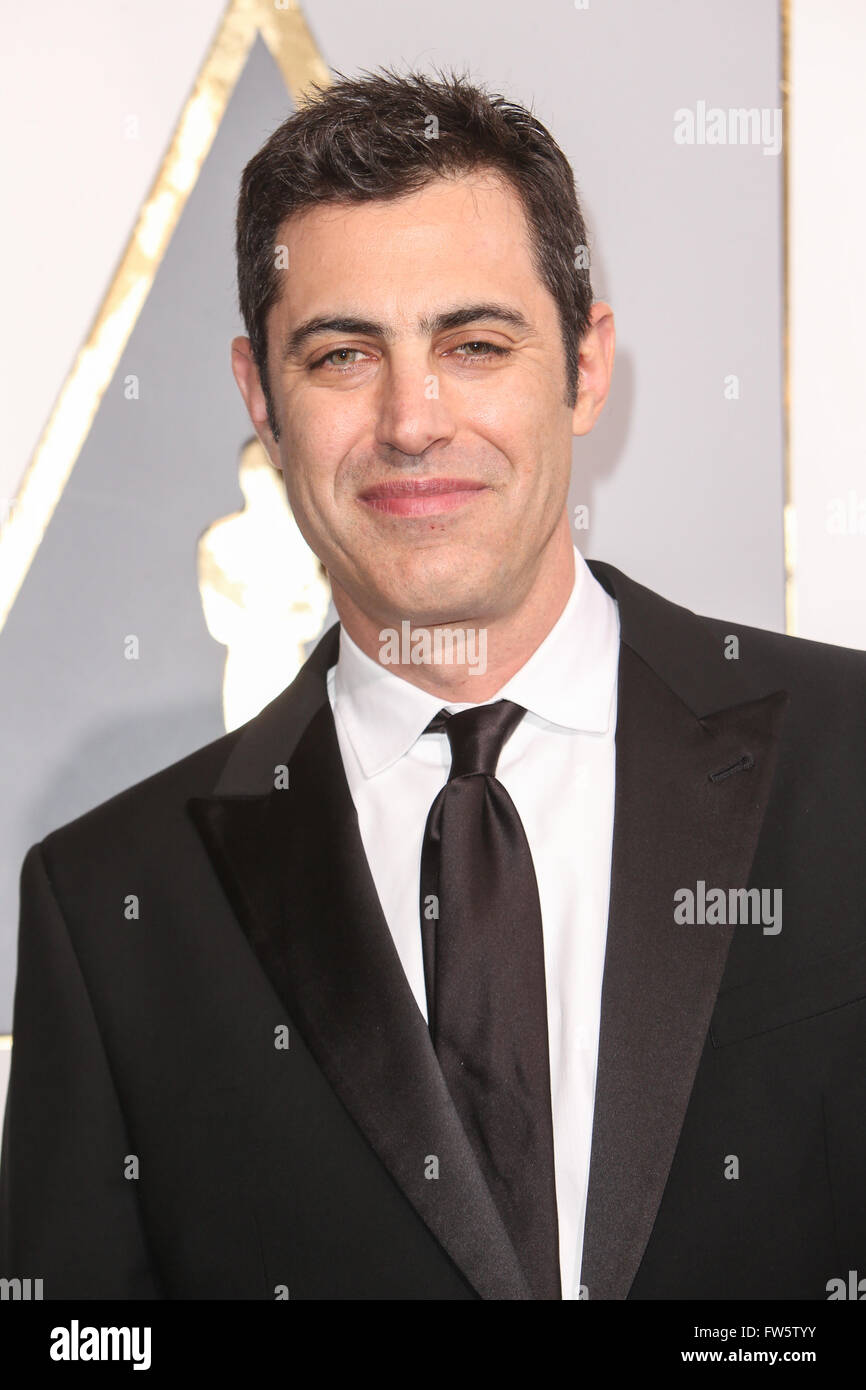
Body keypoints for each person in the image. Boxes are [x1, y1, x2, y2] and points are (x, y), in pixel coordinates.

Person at [1, 68, 865, 1302]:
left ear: (583, 365)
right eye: (343, 354)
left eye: (473, 344)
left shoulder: (850, 762)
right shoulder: (112, 910)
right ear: (260, 399)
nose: (412, 420)